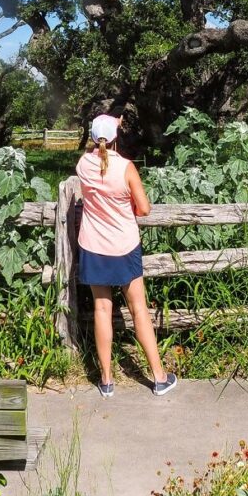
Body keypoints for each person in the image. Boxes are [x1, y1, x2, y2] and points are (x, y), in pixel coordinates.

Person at [75, 112, 176, 397]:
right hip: (124, 245)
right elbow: (143, 208)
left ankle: (106, 380)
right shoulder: (126, 168)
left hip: (93, 245)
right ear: (116, 137)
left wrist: (111, 125)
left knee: (102, 309)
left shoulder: (83, 165)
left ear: (93, 138)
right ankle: (159, 377)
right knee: (138, 309)